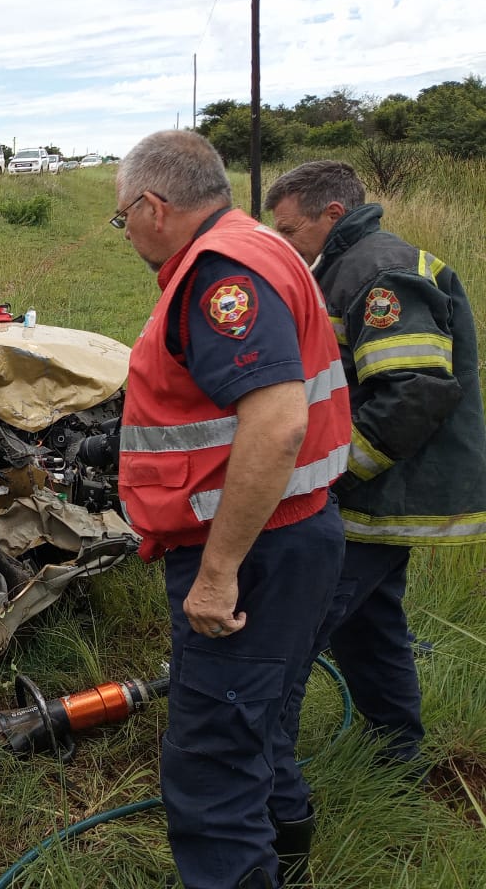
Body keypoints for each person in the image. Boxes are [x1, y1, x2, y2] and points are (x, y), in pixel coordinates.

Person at [113, 131, 351, 889]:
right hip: (297, 536)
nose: (128, 236)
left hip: (253, 554)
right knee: (264, 726)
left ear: (153, 206)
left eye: (124, 221)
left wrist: (217, 573)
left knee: (213, 770)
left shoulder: (220, 275)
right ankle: (288, 861)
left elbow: (277, 421)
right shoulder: (258, 245)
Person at [265, 161, 486, 766]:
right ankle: (397, 753)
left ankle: (264, 780)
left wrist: (332, 470)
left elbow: (416, 391)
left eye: (289, 230)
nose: (283, 243)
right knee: (370, 628)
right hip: (375, 500)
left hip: (374, 495)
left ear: (332, 214)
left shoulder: (376, 270)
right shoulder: (344, 264)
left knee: (289, 637)